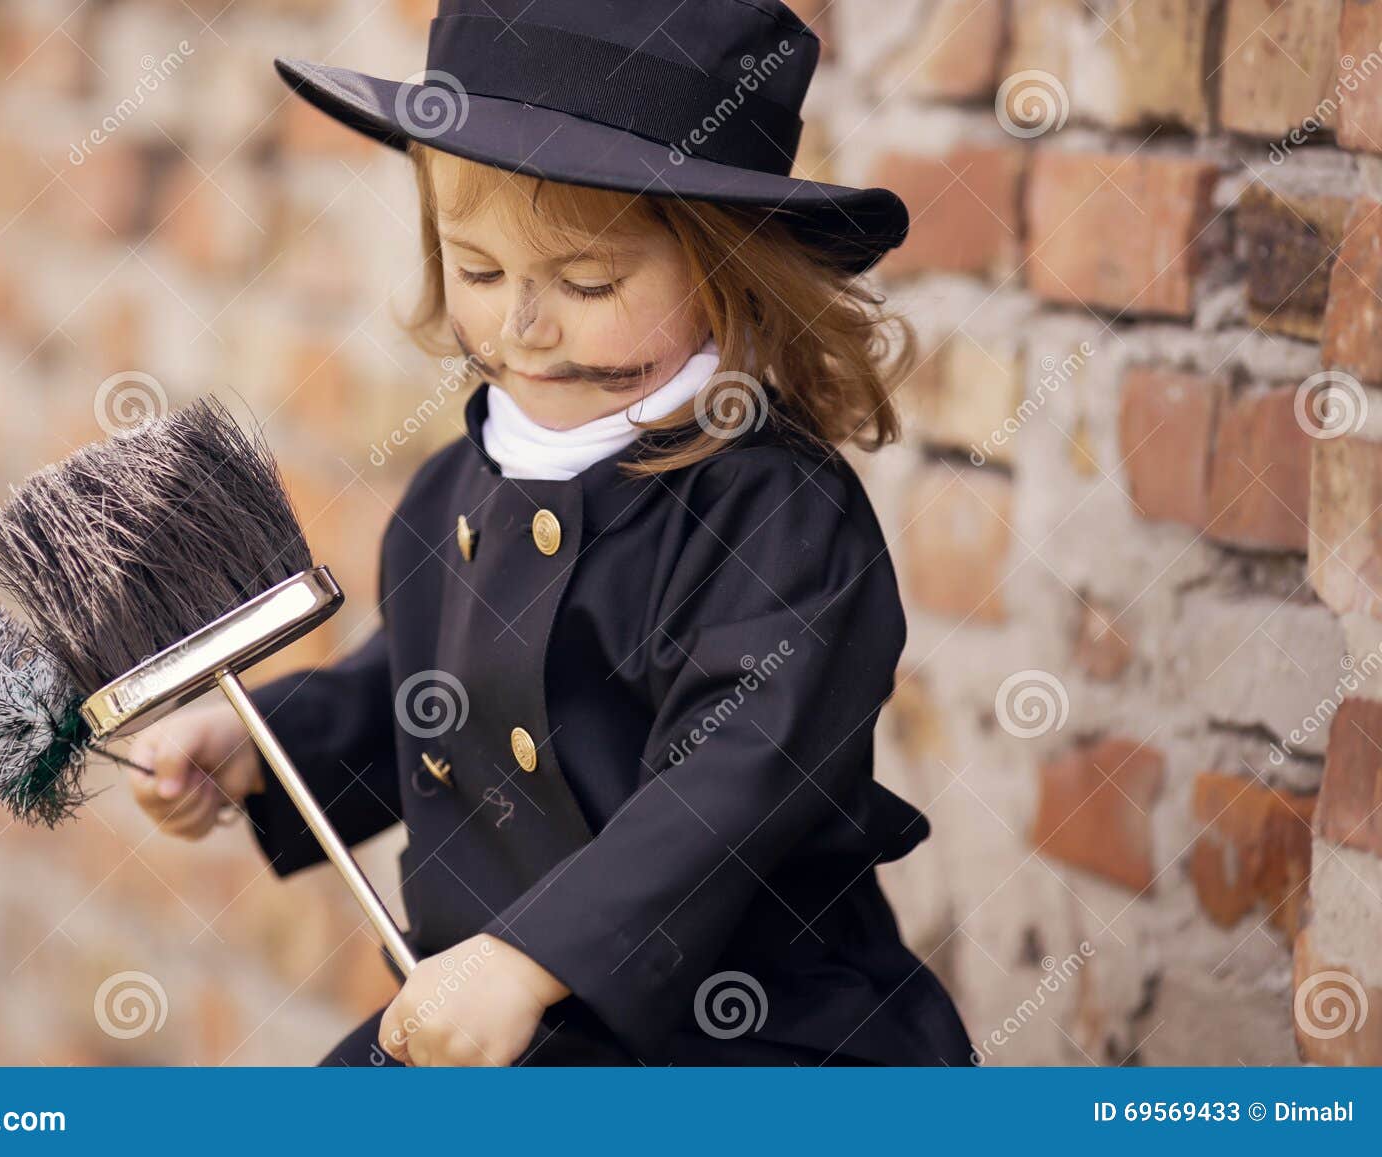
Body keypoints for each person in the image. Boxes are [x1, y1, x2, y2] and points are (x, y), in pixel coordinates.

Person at [128, 0, 976, 1069]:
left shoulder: (775, 511)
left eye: (586, 281)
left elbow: (734, 784)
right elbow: (435, 683)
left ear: (726, 270)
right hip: (502, 1024)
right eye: (479, 272)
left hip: (739, 1032)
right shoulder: (456, 487)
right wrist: (265, 746)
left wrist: (532, 957)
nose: (523, 325)